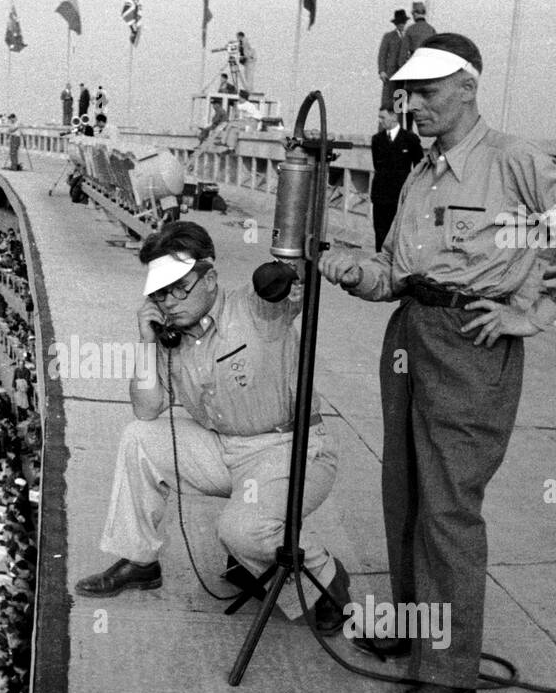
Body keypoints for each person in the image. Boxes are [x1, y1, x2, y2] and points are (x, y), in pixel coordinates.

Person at [318, 33, 556, 693]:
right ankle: (415, 626)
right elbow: (394, 269)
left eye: (426, 91)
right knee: (405, 492)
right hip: (411, 334)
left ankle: (448, 674)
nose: (413, 103)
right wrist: (343, 267)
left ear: (466, 87)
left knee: (449, 508)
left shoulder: (513, 160)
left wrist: (536, 313)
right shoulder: (423, 172)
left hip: (473, 343)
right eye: (407, 92)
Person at [73, 221, 350, 627]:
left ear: (210, 278)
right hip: (224, 447)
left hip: (289, 448)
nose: (168, 301)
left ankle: (326, 579)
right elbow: (147, 411)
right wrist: (147, 344)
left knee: (240, 530)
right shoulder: (171, 338)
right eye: (159, 292)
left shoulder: (257, 308)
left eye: (178, 287)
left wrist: (289, 269)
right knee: (139, 438)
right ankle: (141, 560)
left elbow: (291, 287)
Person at [370, 106, 423, 252]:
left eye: (383, 118)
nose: (380, 121)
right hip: (380, 196)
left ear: (394, 117)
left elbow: (419, 166)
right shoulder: (376, 140)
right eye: (379, 118)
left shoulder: (410, 139)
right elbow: (377, 166)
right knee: (380, 233)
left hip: (400, 196)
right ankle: (380, 266)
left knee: (399, 233)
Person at [378, 9, 413, 111]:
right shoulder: (388, 36)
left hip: (402, 73)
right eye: (399, 22)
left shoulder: (408, 36)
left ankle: (398, 120)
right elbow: (382, 54)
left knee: (400, 100)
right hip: (390, 73)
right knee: (387, 99)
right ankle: (385, 122)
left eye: (403, 21)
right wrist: (382, 71)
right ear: (396, 23)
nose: (401, 24)